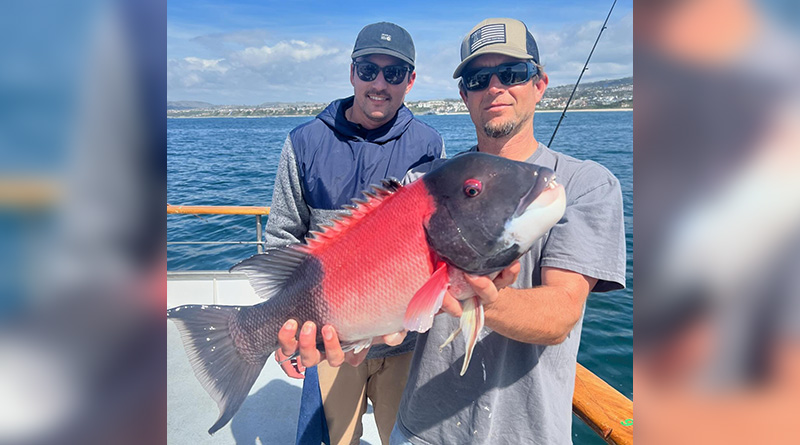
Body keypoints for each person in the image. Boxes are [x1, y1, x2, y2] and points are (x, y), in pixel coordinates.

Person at [280, 17, 626, 444]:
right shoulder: (423, 180)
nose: (496, 87)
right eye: (479, 78)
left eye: (513, 73)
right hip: (421, 429)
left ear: (540, 84)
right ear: (464, 94)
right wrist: (358, 333)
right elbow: (391, 286)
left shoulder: (586, 184)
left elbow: (560, 314)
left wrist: (472, 294)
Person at [264, 22, 445, 445]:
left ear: (410, 81)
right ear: (351, 73)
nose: (379, 83)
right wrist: (284, 331)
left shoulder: (429, 145)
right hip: (331, 342)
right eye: (368, 69)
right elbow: (283, 240)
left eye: (394, 73)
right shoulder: (304, 142)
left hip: (403, 345)